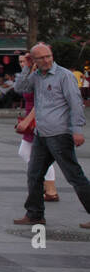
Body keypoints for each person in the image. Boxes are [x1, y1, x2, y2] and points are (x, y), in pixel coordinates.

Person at [12, 44, 90, 228]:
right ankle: (35, 214)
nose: (46, 61)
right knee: (34, 174)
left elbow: (76, 103)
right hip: (41, 134)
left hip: (60, 134)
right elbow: (20, 87)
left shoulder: (64, 76)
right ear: (34, 61)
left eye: (48, 56)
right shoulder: (36, 76)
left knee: (74, 176)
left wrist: (77, 130)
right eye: (41, 58)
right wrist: (26, 67)